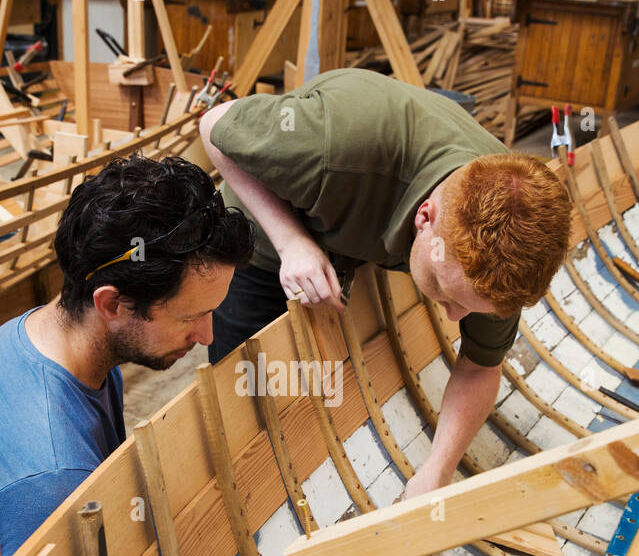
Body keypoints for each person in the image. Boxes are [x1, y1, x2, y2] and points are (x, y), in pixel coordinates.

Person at [199, 67, 571, 501]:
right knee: (249, 393)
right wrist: (291, 241)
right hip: (264, 233)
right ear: (425, 218)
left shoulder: (506, 242)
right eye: (445, 293)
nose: (454, 316)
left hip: (351, 221)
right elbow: (213, 125)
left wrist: (436, 472)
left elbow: (479, 366)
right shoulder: (330, 145)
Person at [0, 153, 254, 556]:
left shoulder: (34, 334)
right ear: (110, 304)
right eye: (192, 316)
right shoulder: (52, 478)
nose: (206, 336)